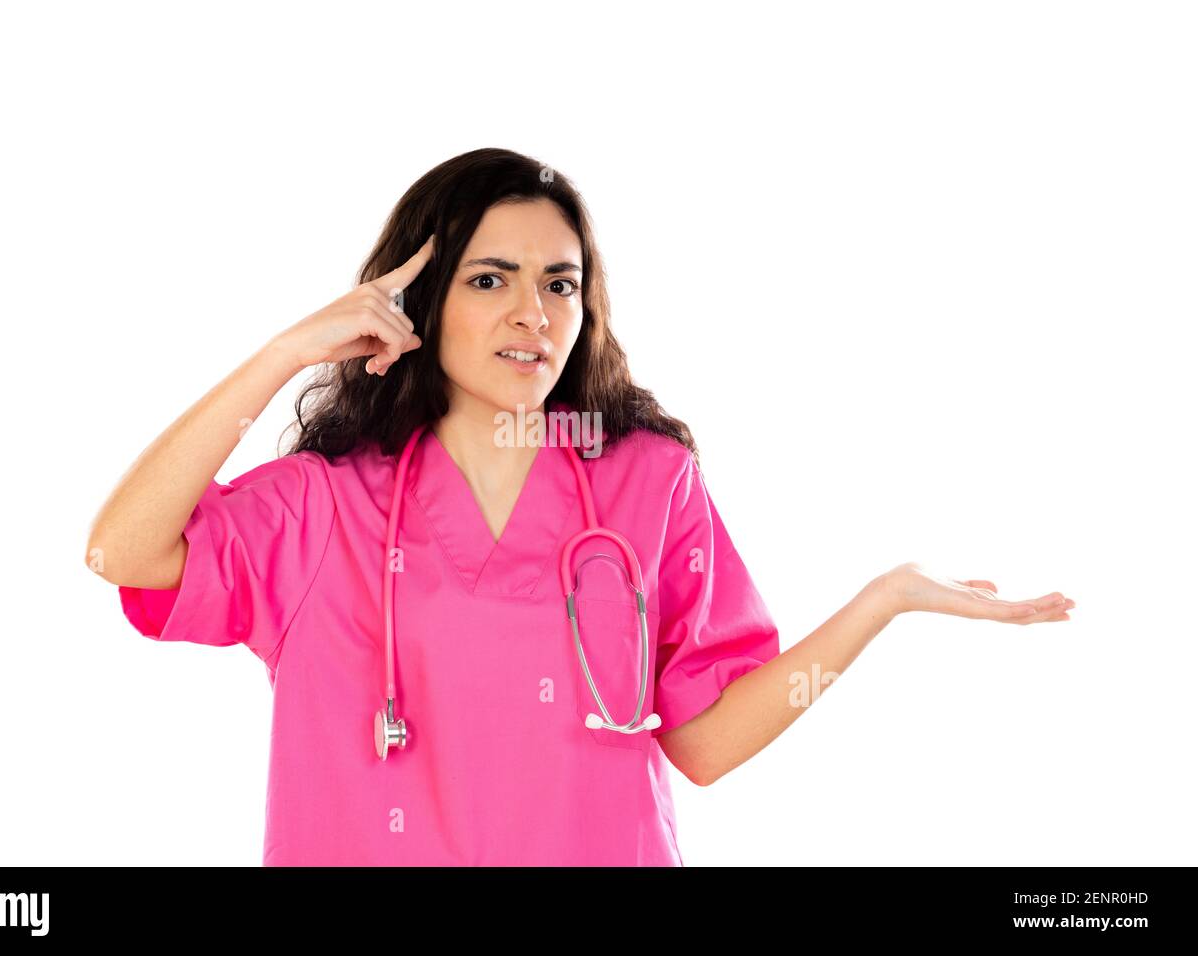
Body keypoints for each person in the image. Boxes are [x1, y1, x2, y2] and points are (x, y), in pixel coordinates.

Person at [85, 147, 1074, 866]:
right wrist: (284, 352)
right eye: (490, 279)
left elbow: (706, 742)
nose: (534, 314)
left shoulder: (646, 478)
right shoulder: (323, 504)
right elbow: (120, 548)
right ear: (417, 303)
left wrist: (883, 598)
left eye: (560, 283)